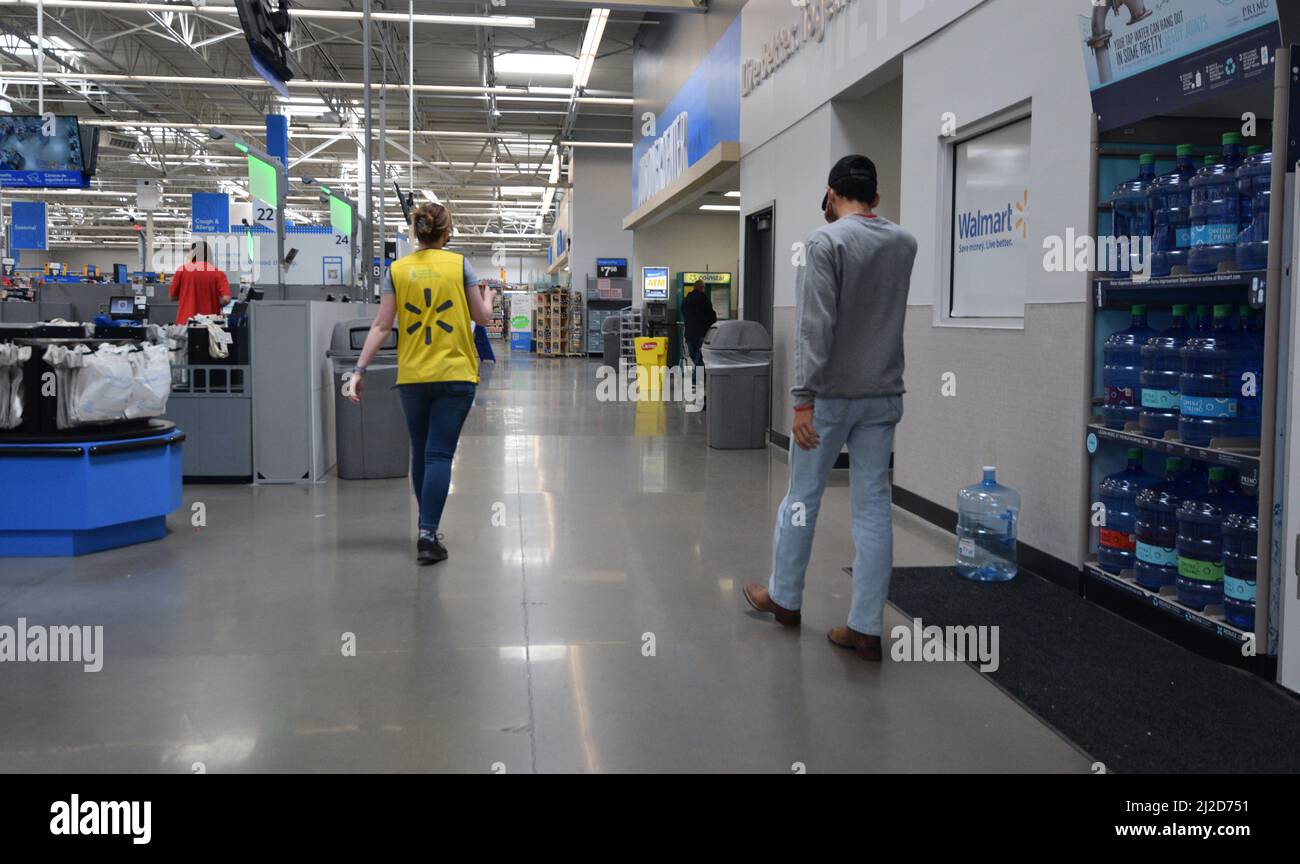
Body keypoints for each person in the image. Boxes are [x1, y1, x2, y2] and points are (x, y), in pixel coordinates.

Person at [742, 155, 917, 661]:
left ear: (830, 194)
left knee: (802, 497)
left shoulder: (825, 243)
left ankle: (785, 597)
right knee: (872, 508)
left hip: (830, 400)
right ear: (877, 198)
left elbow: (814, 329)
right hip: (883, 397)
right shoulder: (904, 243)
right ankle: (865, 627)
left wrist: (802, 400)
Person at [350, 202, 495, 565]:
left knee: (422, 450)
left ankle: (424, 523)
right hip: (455, 374)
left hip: (413, 377)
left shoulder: (397, 271)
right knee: (439, 454)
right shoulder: (460, 265)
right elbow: (483, 318)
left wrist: (359, 370)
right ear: (447, 233)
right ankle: (428, 535)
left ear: (417, 232)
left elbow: (382, 326)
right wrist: (489, 298)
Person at [168, 239, 230, 325]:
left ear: (193, 253)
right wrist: (214, 303)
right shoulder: (218, 274)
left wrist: (186, 295)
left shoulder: (181, 271)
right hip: (210, 325)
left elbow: (171, 297)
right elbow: (226, 298)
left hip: (185, 324)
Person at [680, 278, 717, 367]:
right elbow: (711, 315)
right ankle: (698, 377)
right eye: (704, 288)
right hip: (701, 333)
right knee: (699, 355)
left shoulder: (686, 300)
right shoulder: (704, 299)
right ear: (701, 288)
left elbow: (684, 313)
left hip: (689, 333)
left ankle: (698, 375)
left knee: (693, 354)